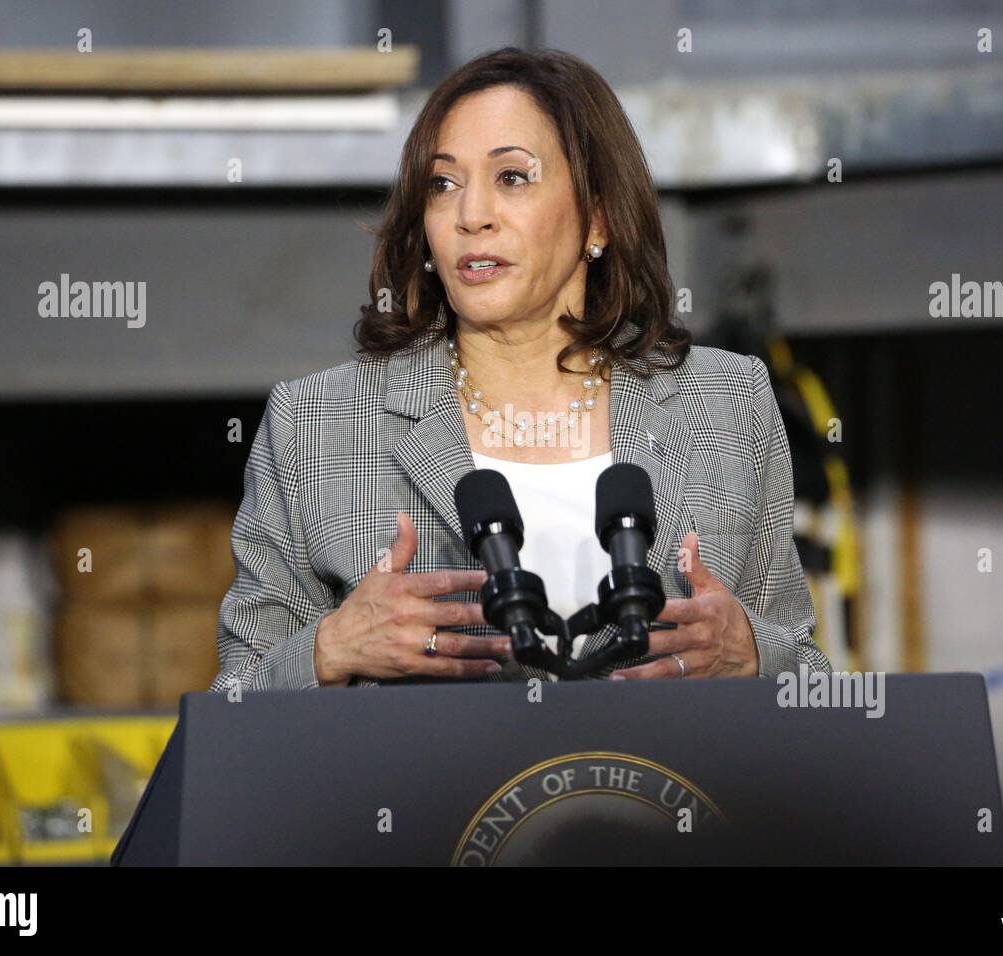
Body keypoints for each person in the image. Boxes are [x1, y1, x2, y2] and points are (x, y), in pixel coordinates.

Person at [210, 47, 830, 692]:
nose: (470, 214)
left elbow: (809, 682)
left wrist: (753, 651)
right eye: (442, 184)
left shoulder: (728, 403)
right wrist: (330, 649)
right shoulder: (318, 424)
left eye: (512, 177)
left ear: (599, 216)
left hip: (660, 792)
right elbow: (234, 707)